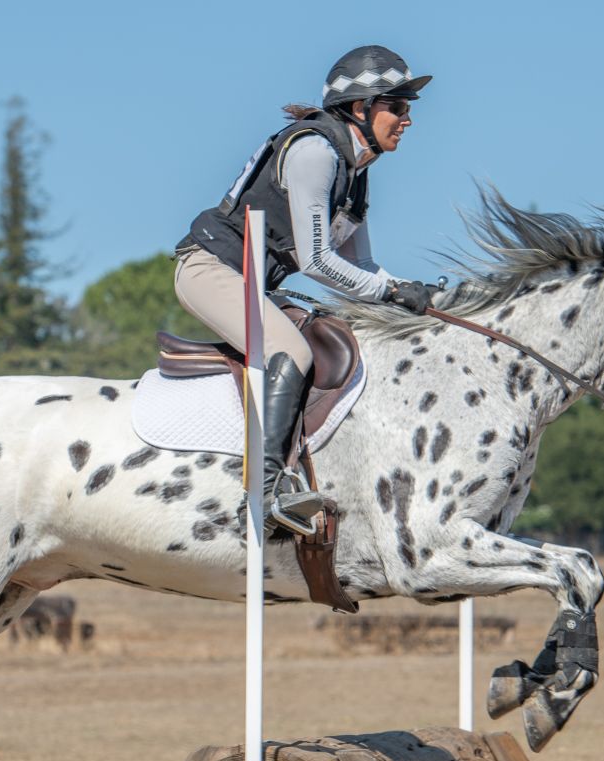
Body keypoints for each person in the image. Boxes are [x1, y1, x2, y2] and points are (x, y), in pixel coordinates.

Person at [174, 45, 437, 533]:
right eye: (397, 107)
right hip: (209, 268)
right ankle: (267, 490)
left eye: (407, 109)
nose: (407, 119)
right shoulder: (316, 152)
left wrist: (408, 295)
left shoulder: (354, 172)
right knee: (290, 349)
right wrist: (390, 290)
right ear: (361, 108)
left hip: (252, 279)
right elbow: (318, 262)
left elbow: (364, 268)